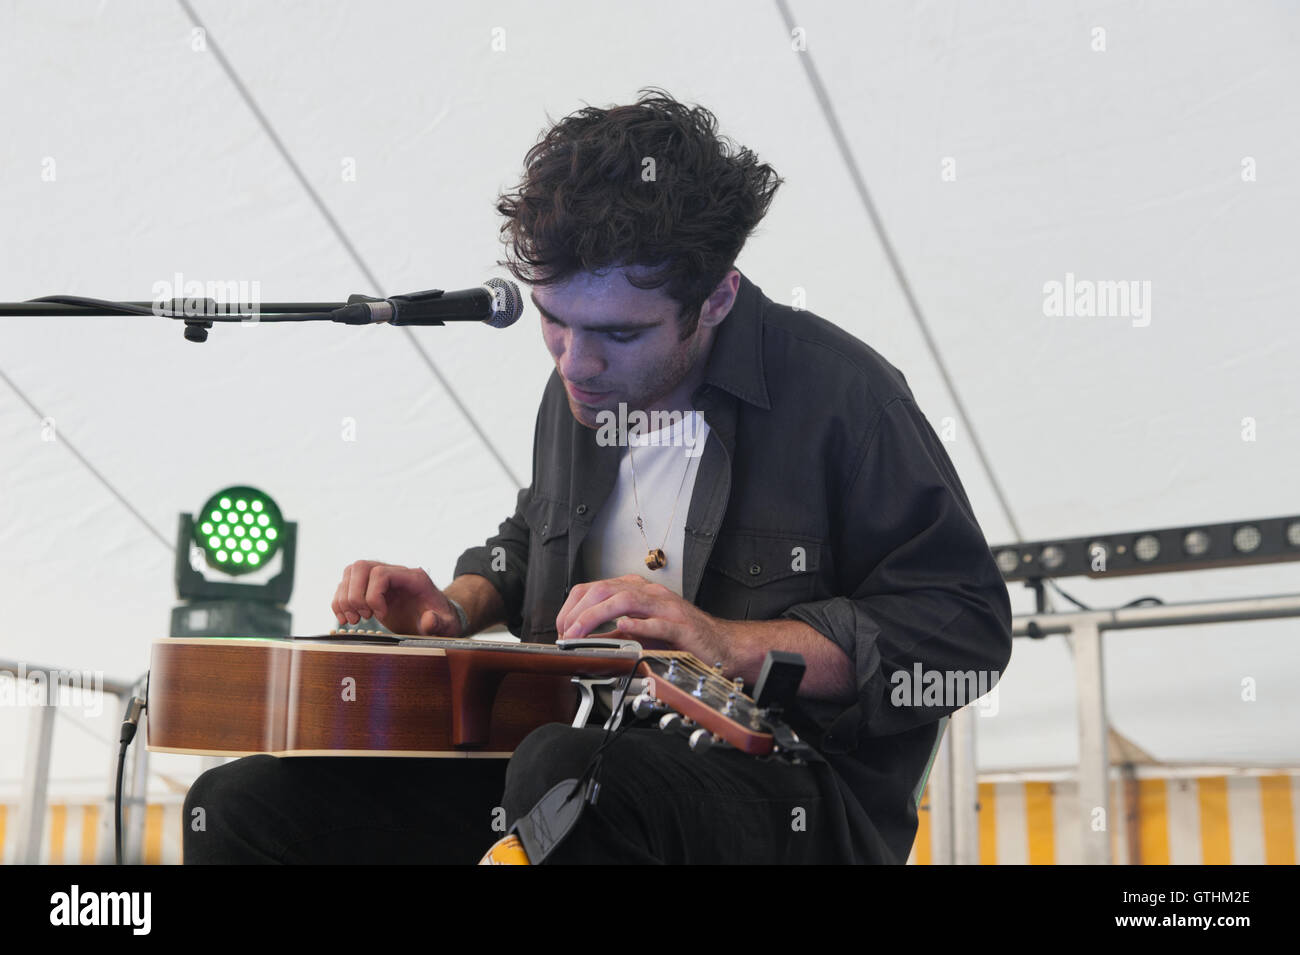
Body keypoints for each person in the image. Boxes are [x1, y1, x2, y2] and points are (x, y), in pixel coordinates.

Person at [183, 88, 1012, 865]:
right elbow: (531, 531)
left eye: (617, 332)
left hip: (782, 795)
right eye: (553, 320)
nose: (576, 362)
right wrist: (458, 605)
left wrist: (732, 643)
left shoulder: (844, 395)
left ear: (717, 299)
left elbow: (964, 633)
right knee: (242, 805)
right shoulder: (579, 390)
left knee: (564, 774)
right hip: (566, 763)